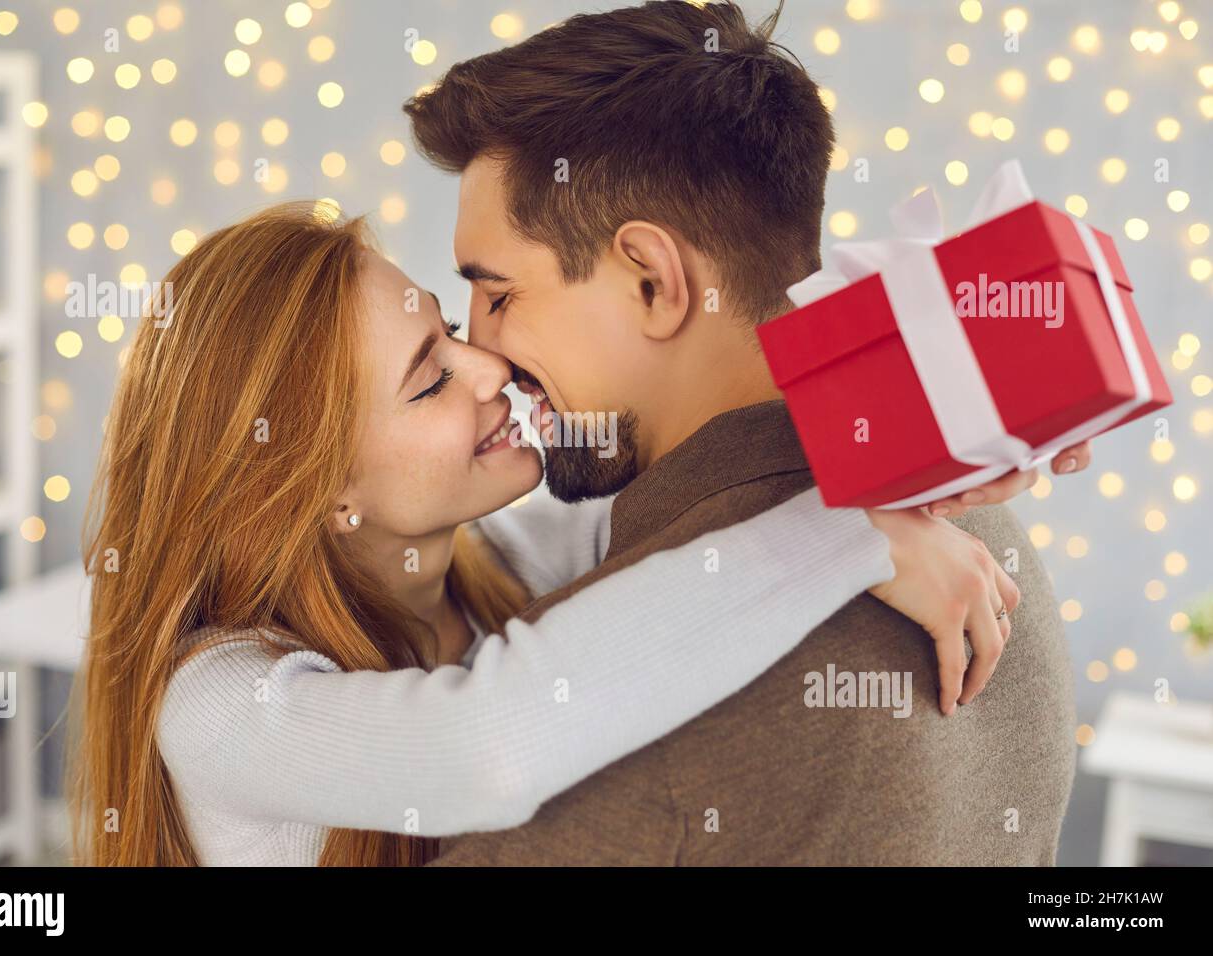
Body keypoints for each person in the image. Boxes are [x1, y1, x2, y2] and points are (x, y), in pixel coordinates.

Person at [70, 203, 1027, 867]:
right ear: (316, 489)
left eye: (450, 329)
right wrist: (851, 539)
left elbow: (712, 512)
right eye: (431, 379)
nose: (485, 366)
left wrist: (957, 419)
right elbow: (486, 747)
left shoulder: (507, 566)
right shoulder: (217, 705)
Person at [403, 0, 1082, 866]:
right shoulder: (982, 545)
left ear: (653, 282)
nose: (484, 354)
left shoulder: (604, 691)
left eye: (498, 296)